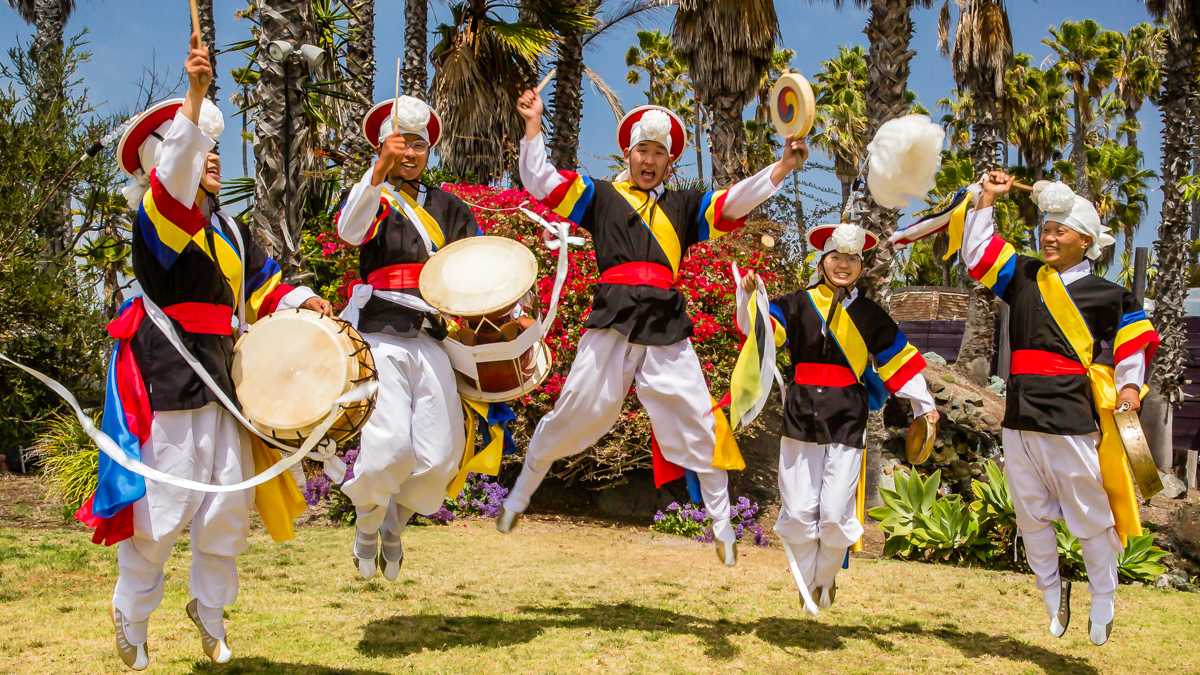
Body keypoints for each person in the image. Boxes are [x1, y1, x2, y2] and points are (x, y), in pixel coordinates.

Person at [496, 87, 809, 566]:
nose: (649, 159)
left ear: (669, 162)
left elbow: (732, 201)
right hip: (613, 318)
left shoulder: (685, 208)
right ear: (629, 153)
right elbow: (541, 181)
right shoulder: (598, 195)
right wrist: (533, 126)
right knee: (580, 408)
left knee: (700, 420)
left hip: (666, 323)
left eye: (659, 153)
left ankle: (722, 526)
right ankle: (521, 492)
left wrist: (781, 169)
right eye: (642, 150)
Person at [103, 33, 330, 670]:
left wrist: (301, 301)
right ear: (164, 158)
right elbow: (175, 186)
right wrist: (196, 94)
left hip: (226, 376)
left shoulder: (231, 227)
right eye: (197, 142)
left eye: (214, 143)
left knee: (228, 502)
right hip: (170, 372)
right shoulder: (157, 212)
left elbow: (265, 287)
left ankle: (209, 609)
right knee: (164, 508)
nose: (211, 155)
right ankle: (132, 610)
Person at [955, 171, 1160, 646]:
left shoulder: (1111, 294)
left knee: (1090, 513)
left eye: (1058, 230)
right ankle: (1052, 596)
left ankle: (1104, 598)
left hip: (1071, 416)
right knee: (1029, 515)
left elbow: (1132, 347)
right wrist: (987, 197)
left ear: (1085, 241)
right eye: (1045, 228)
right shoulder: (1023, 274)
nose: (1047, 236)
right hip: (1020, 415)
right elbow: (977, 253)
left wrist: (1130, 391)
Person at [738, 222, 938, 613]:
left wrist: (923, 404)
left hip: (848, 418)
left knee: (833, 514)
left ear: (861, 265)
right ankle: (807, 579)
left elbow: (900, 361)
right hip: (800, 417)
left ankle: (823, 580)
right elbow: (763, 332)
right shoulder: (795, 303)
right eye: (836, 257)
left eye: (851, 258)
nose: (843, 265)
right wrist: (751, 298)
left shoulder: (870, 314)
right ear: (822, 260)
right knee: (796, 511)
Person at [334, 95, 481, 582]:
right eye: (402, 144)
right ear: (385, 147)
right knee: (389, 447)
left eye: (420, 145)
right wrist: (377, 172)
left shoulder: (449, 207)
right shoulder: (372, 195)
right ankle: (368, 522)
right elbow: (350, 232)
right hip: (381, 331)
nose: (411, 153)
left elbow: (472, 268)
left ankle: (395, 522)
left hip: (433, 336)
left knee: (440, 457)